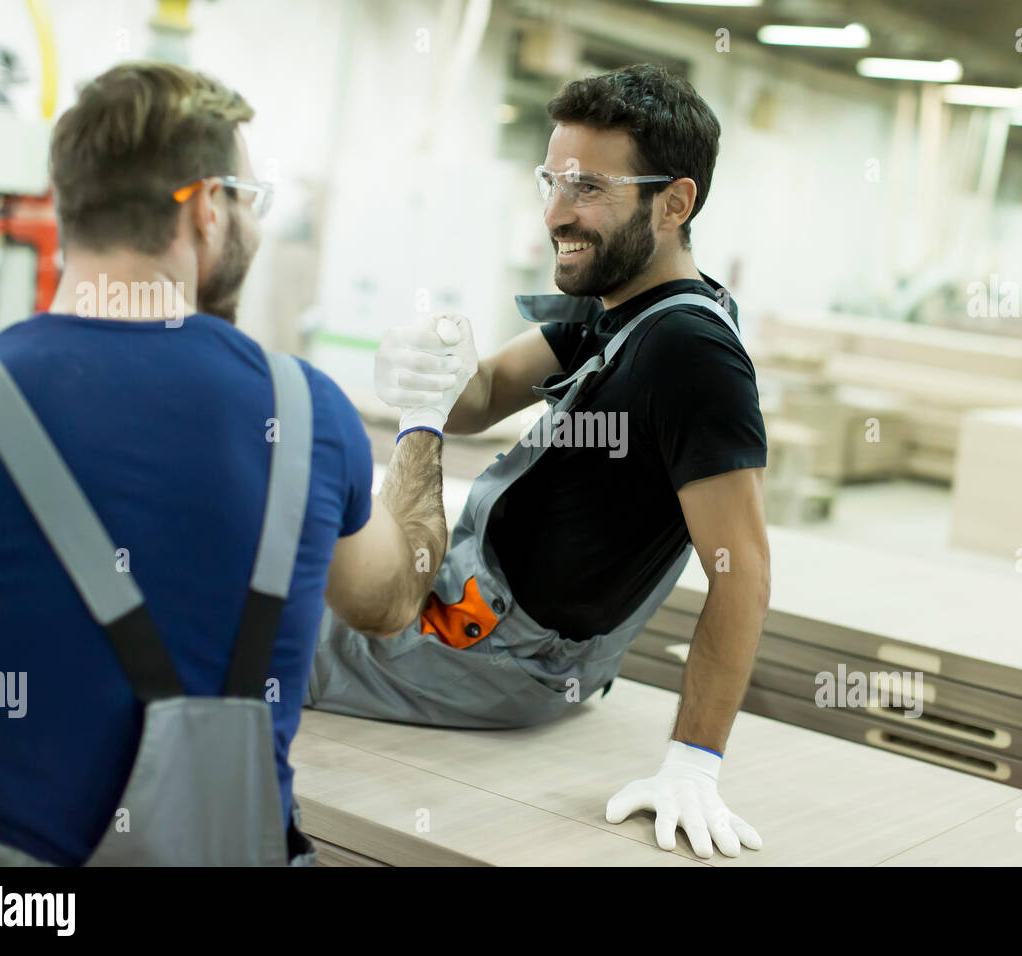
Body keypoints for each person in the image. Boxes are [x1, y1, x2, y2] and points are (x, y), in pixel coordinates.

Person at [0, 60, 463, 866]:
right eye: (249, 201)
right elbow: (391, 598)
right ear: (208, 208)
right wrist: (424, 422)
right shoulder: (306, 412)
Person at [309, 63, 770, 859]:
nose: (556, 212)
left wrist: (693, 762)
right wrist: (438, 363)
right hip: (466, 594)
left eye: (588, 187)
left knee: (252, 622)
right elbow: (483, 396)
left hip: (491, 648)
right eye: (551, 179)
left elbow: (744, 570)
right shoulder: (617, 300)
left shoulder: (691, 352)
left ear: (675, 202)